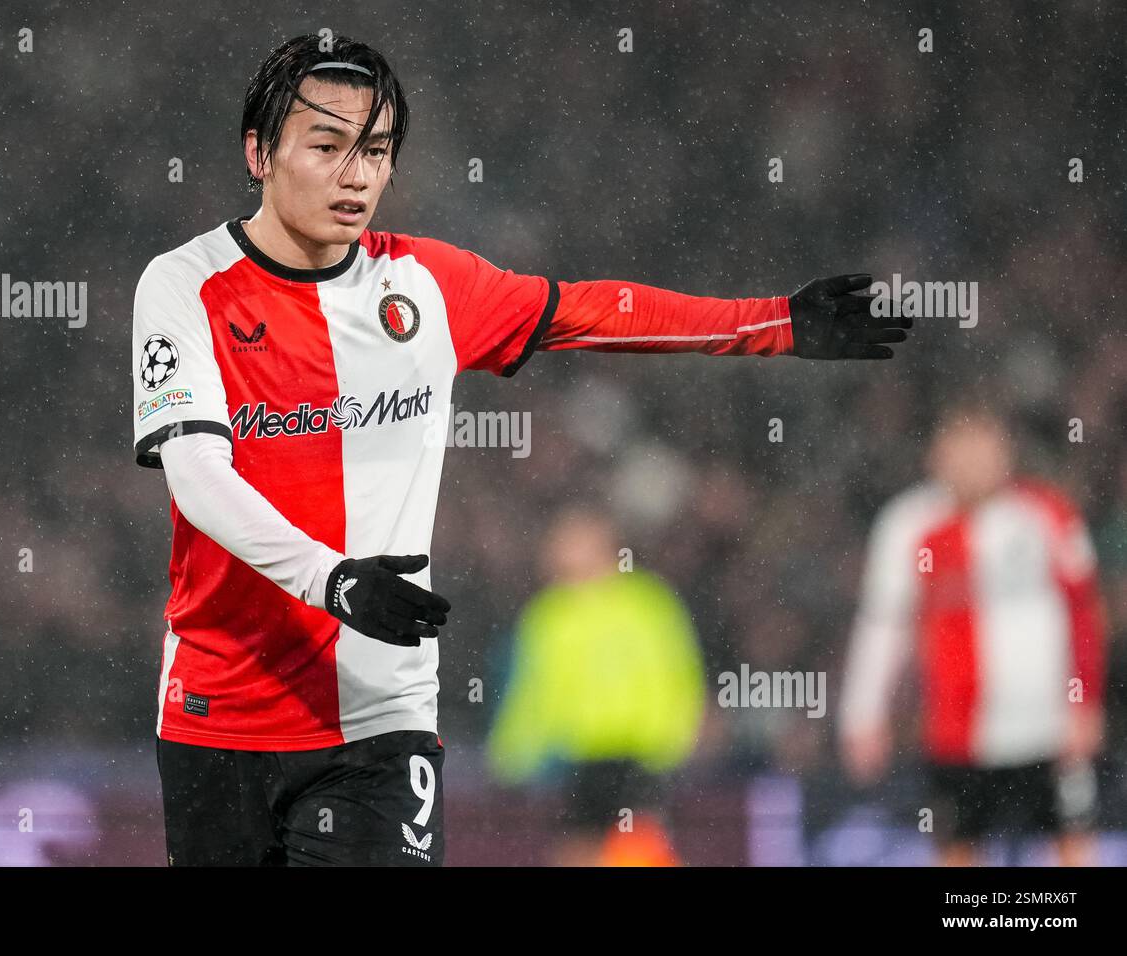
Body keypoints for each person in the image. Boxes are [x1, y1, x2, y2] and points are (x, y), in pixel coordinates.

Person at [133, 33, 912, 867]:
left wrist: (775, 325)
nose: (356, 175)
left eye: (377, 151)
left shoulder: (428, 285)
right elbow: (199, 476)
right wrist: (332, 580)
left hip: (380, 714)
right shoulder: (184, 285)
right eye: (327, 148)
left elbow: (593, 311)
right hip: (219, 710)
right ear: (258, 151)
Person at [838, 407, 1107, 865]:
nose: (973, 464)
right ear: (937, 456)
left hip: (1047, 726)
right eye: (961, 450)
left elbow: (1084, 614)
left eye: (984, 449)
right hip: (956, 731)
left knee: (1072, 842)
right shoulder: (907, 526)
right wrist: (862, 714)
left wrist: (1086, 701)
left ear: (1006, 453)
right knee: (958, 848)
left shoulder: (1049, 514)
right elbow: (883, 627)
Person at [486, 508, 706, 866]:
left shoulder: (647, 603)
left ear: (603, 543)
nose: (556, 551)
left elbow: (678, 678)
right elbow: (532, 694)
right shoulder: (548, 614)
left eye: (570, 541)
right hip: (577, 760)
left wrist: (674, 741)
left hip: (638, 758)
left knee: (637, 853)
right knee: (576, 854)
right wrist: (510, 756)